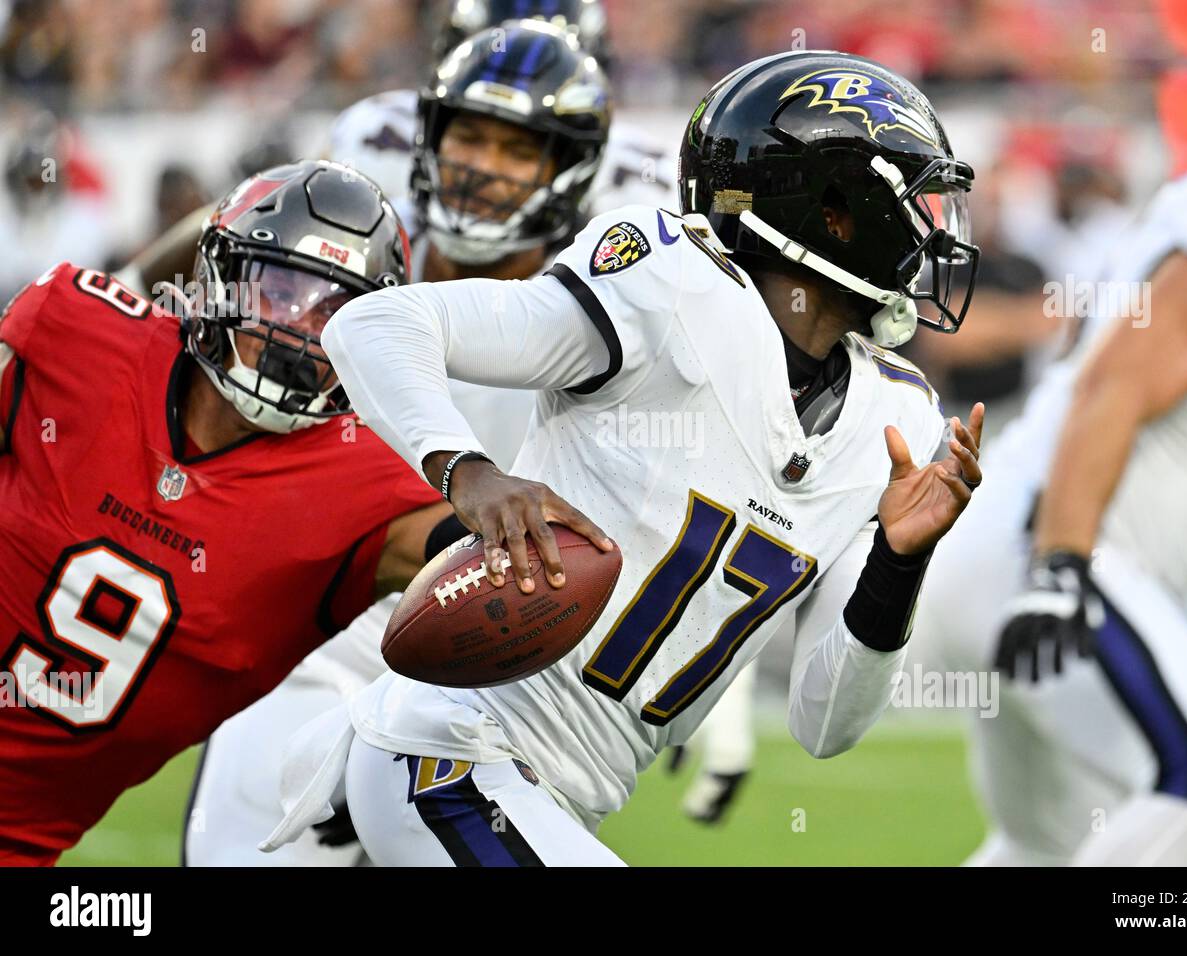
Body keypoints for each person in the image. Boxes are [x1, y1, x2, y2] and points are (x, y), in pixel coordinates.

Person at [263, 50, 985, 866]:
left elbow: (826, 724)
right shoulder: (671, 283)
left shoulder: (897, 416)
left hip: (561, 795)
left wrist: (897, 564)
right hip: (455, 748)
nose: (931, 230)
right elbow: (375, 326)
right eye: (910, 200)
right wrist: (470, 475)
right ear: (834, 208)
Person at [184, 19, 614, 866]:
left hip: (491, 673)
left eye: (517, 149)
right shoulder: (351, 260)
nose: (483, 166)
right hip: (312, 636)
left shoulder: (605, 316)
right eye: (469, 137)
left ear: (567, 170)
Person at [915, 22, 1187, 866]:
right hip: (1065, 556)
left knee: (1044, 845)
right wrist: (1062, 565)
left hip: (1031, 549)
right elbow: (1111, 389)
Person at [0, 159, 452, 865]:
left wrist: (402, 734)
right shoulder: (74, 331)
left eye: (332, 310)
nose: (299, 330)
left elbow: (519, 588)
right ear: (218, 280)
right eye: (279, 291)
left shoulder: (369, 487)